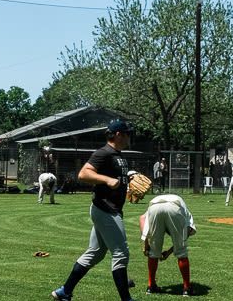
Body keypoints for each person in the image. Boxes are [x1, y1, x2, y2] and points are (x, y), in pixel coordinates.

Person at [51, 120, 138, 301]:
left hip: (109, 209)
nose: (130, 136)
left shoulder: (118, 155)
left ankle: (64, 292)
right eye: (127, 133)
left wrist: (129, 185)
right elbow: (83, 174)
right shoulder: (104, 152)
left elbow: (116, 180)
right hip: (106, 209)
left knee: (95, 253)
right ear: (118, 134)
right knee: (121, 253)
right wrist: (106, 180)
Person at [140, 194, 197, 295]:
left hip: (154, 207)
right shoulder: (186, 212)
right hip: (175, 207)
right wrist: (171, 251)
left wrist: (146, 244)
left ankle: (151, 287)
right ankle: (187, 289)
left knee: (153, 251)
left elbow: (142, 218)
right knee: (182, 251)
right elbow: (187, 232)